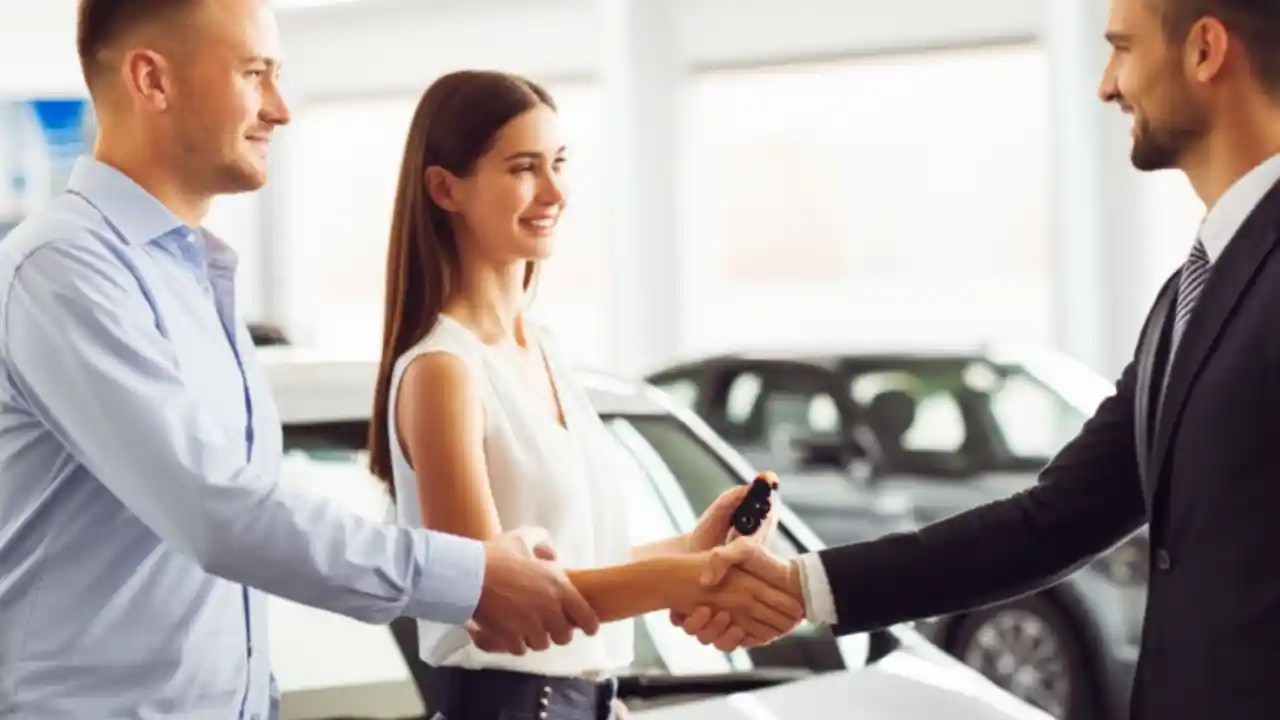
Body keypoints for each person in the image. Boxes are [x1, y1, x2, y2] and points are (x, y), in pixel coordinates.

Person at [0, 2, 602, 718]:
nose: (280, 109)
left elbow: (234, 561)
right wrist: (467, 577)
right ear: (151, 80)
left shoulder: (193, 279)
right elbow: (219, 513)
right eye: (255, 75)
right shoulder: (63, 271)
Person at [684, 0, 1280, 718]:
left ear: (1205, 50)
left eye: (1123, 49)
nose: (1107, 85)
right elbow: (1057, 518)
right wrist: (801, 587)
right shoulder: (1191, 289)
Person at [367, 70, 802, 720]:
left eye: (559, 163)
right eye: (523, 168)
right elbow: (495, 606)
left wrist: (693, 549)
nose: (555, 191)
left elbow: (568, 570)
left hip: (586, 703)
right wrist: (692, 581)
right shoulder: (442, 372)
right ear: (444, 188)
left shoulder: (543, 347)